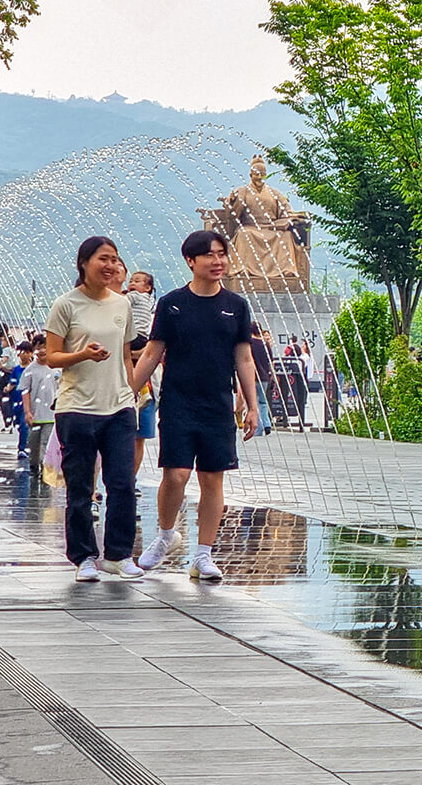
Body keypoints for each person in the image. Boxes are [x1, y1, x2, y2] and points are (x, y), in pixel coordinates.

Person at [132, 230, 261, 581]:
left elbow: (244, 358)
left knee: (211, 479)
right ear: (190, 261)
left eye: (222, 254)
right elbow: (153, 351)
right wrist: (127, 390)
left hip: (217, 404)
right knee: (175, 474)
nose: (217, 261)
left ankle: (203, 554)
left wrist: (252, 405)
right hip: (178, 401)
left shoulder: (235, 306)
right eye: (209, 255)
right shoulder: (173, 304)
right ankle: (165, 535)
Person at [46, 236, 144, 582]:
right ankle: (84, 557)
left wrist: (132, 395)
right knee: (81, 487)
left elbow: (126, 354)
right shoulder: (66, 305)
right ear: (84, 263)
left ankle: (119, 555)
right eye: (103, 259)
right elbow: (53, 357)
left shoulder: (123, 304)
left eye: (115, 260)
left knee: (122, 483)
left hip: (118, 407)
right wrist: (82, 354)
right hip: (77, 409)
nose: (111, 266)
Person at [126, 270, 159, 475]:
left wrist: (134, 353)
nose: (132, 284)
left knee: (139, 437)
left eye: (137, 281)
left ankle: (131, 480)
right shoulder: (118, 306)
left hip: (147, 389)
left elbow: (154, 351)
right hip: (120, 386)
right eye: (131, 280)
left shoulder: (154, 311)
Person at [20, 336, 59, 472]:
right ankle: (35, 467)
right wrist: (27, 412)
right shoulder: (30, 369)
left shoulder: (57, 368)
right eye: (38, 347)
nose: (42, 350)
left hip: (52, 415)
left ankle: (45, 470)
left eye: (44, 347)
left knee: (46, 444)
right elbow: (25, 391)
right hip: (35, 414)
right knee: (34, 444)